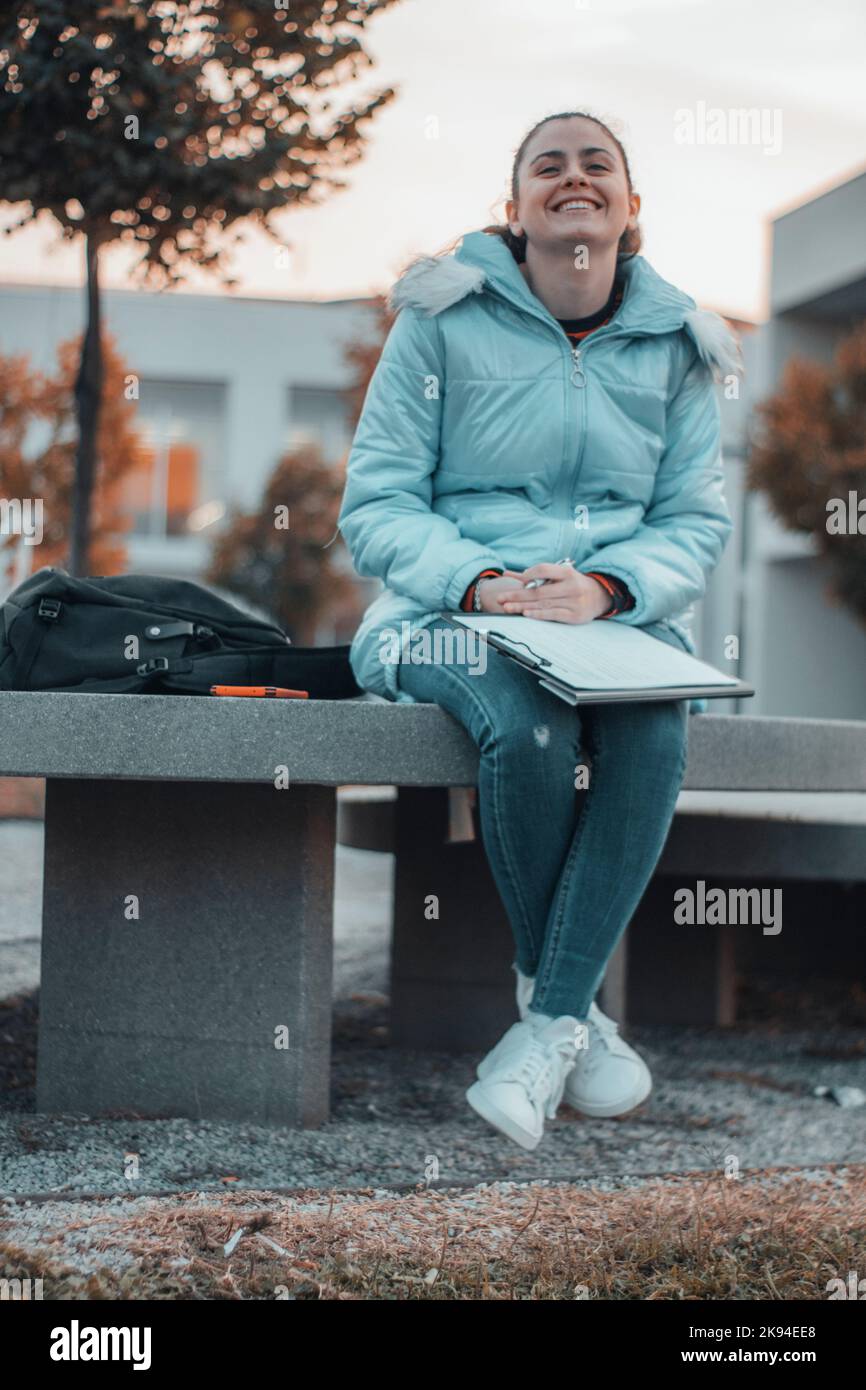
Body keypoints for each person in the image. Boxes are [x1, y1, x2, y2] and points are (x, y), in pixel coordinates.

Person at [337, 110, 743, 1151]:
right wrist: (481, 584)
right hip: (442, 619)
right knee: (526, 728)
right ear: (513, 210)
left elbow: (692, 522)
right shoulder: (440, 317)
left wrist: (608, 588)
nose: (573, 177)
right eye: (546, 166)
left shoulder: (678, 345)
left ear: (628, 207)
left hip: (608, 628)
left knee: (652, 730)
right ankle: (570, 1013)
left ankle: (545, 1023)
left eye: (596, 162)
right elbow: (376, 504)